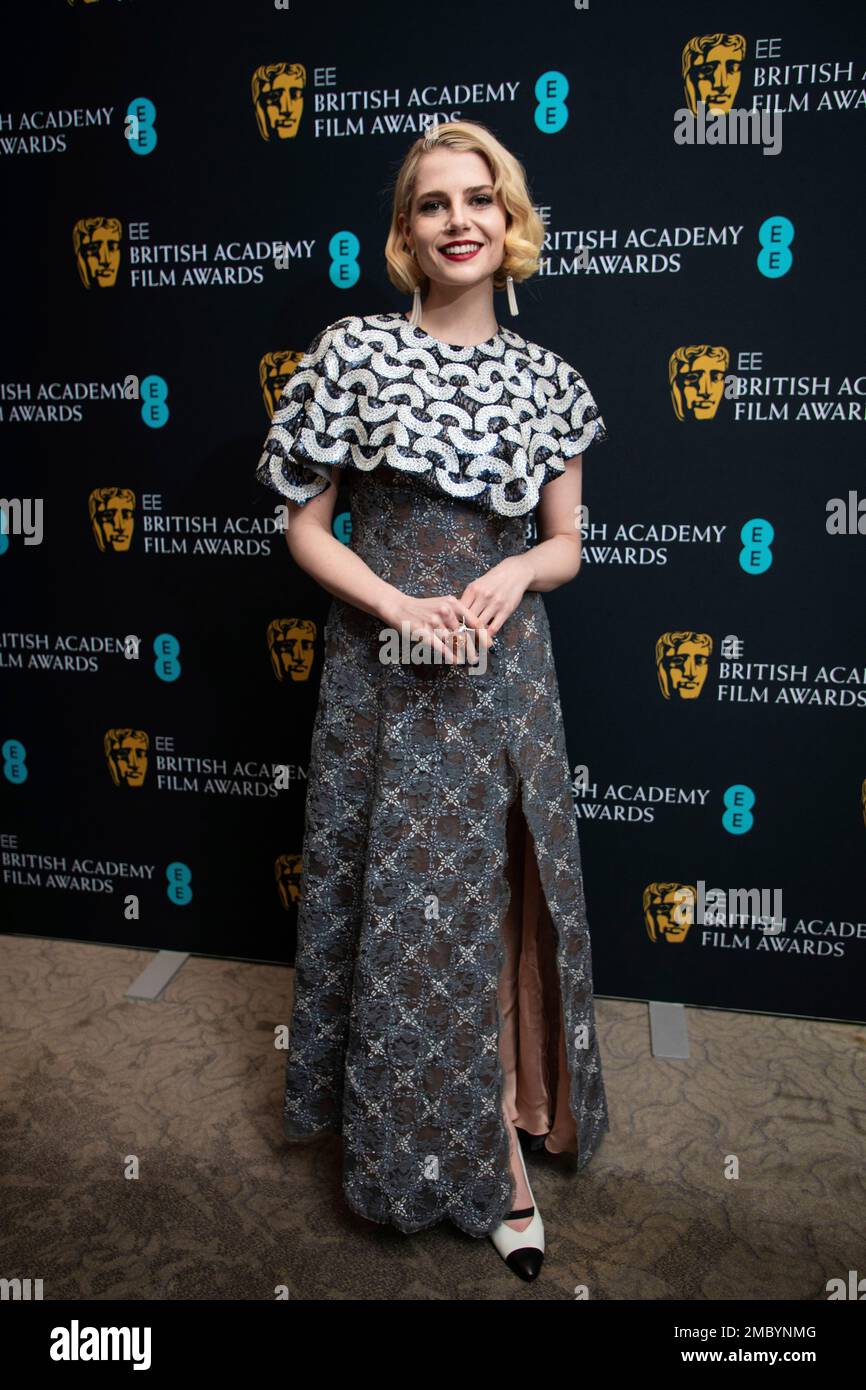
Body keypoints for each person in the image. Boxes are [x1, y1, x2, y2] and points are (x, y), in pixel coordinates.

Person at [255, 119, 610, 1281]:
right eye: (431, 203)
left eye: (480, 199)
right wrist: (399, 606)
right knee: (395, 908)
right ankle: (393, 1142)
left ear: (509, 224)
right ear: (405, 232)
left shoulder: (548, 379)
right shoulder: (353, 353)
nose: (459, 219)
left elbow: (565, 544)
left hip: (505, 675)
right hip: (382, 679)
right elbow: (303, 526)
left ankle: (499, 1155)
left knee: (490, 917)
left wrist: (512, 571)